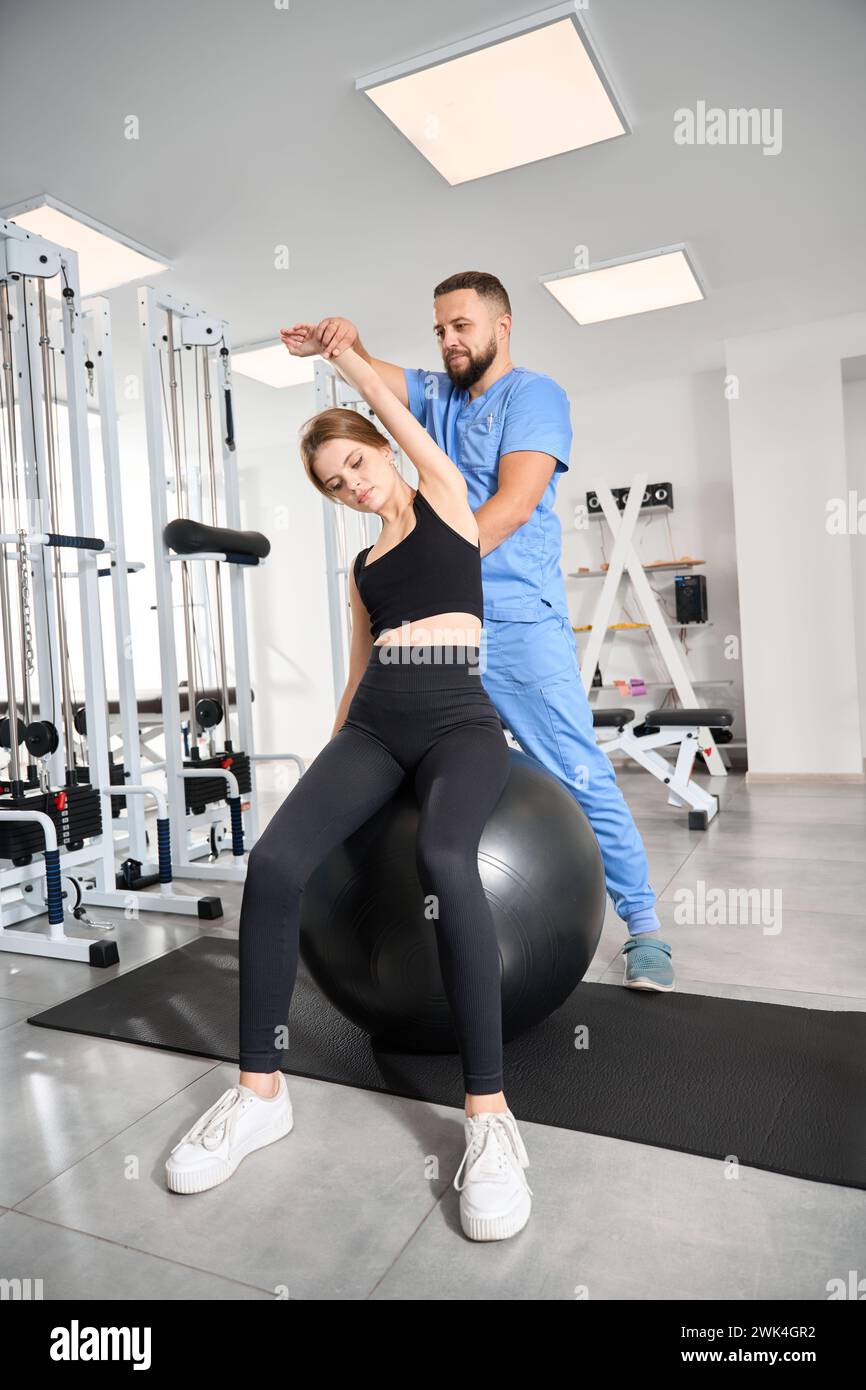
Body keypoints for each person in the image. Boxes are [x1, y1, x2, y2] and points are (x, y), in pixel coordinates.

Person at [165, 334, 533, 1244]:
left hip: (460, 719)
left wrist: (348, 358)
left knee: (447, 856)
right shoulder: (363, 569)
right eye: (336, 484)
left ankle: (488, 1117)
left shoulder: (446, 502)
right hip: (376, 722)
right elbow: (360, 665)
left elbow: (406, 422)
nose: (355, 485)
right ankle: (259, 1091)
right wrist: (337, 770)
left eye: (357, 463)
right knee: (276, 861)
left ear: (381, 446)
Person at [281, 271, 675, 994]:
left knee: (574, 772)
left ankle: (644, 928)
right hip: (432, 641)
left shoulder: (534, 397)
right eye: (438, 329)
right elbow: (375, 382)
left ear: (503, 325)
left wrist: (435, 574)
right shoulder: (435, 394)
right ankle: (414, 931)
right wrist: (339, 343)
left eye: (462, 325)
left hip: (516, 626)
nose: (449, 340)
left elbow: (518, 504)